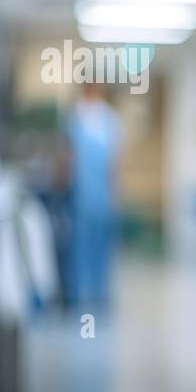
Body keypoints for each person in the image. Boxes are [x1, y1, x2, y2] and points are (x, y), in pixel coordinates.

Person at [64, 82, 121, 309]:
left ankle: (100, 295)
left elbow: (114, 163)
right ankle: (78, 295)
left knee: (101, 247)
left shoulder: (110, 120)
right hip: (80, 194)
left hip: (101, 196)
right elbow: (68, 157)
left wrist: (115, 194)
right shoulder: (75, 117)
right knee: (79, 247)